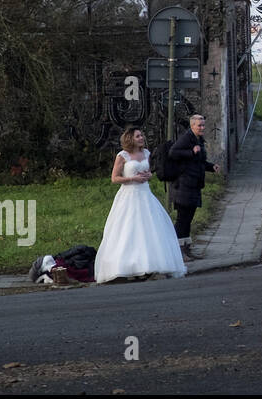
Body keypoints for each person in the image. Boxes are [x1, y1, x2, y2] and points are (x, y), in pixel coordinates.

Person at [94, 128, 187, 283]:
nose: (141, 138)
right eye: (138, 136)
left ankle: (149, 264)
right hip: (129, 195)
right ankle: (126, 266)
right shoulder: (122, 156)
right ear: (130, 139)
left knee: (150, 229)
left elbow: (147, 172)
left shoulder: (146, 153)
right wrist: (132, 179)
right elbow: (114, 178)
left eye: (142, 135)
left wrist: (148, 176)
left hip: (145, 195)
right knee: (128, 229)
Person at [168, 114, 224, 260]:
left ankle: (186, 249)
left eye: (203, 125)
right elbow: (173, 152)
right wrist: (191, 151)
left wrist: (212, 167)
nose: (202, 128)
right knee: (182, 219)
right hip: (183, 186)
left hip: (193, 185)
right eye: (199, 125)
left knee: (188, 219)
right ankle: (178, 251)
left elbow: (199, 162)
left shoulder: (198, 139)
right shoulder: (187, 138)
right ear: (192, 126)